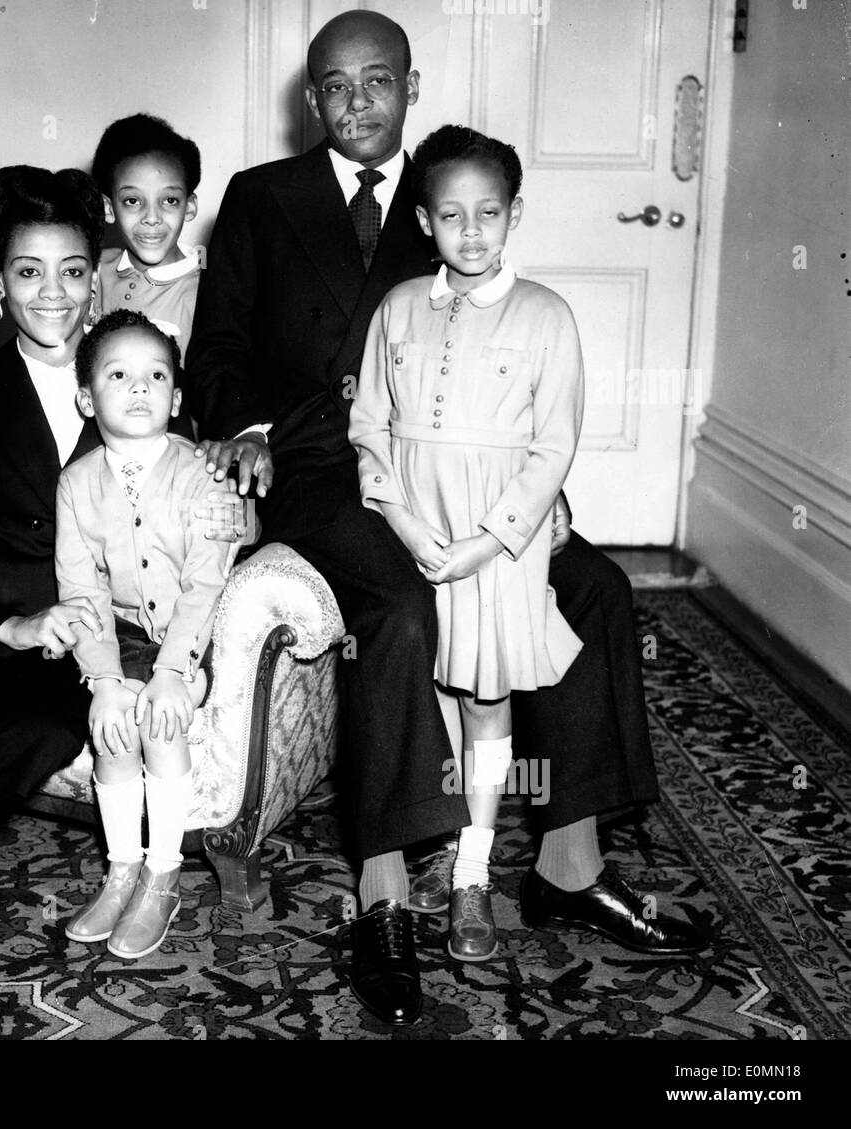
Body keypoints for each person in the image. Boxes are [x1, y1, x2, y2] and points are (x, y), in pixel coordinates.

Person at [187, 11, 706, 1026]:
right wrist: (246, 426)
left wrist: (530, 489)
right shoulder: (260, 198)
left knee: (592, 589)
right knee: (399, 608)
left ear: (410, 87)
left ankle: (569, 860)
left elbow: (504, 346)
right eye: (333, 87)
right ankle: (381, 888)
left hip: (458, 475)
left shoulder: (451, 191)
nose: (355, 103)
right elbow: (218, 348)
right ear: (311, 98)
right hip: (327, 468)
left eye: (376, 81)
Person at [0, 168, 242, 896]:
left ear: (97, 278)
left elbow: (195, 502)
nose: (54, 293)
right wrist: (9, 627)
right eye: (29, 272)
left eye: (72, 271)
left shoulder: (142, 374)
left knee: (59, 724)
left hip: (91, 632)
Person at [351, 124, 585, 962]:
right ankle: (433, 842)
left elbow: (551, 451)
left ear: (515, 213)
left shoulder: (547, 316)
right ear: (423, 221)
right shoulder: (399, 307)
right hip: (413, 530)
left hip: (495, 545)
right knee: (428, 690)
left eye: (490, 212)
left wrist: (483, 545)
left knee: (487, 699)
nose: (473, 231)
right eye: (453, 215)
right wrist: (411, 528)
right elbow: (369, 428)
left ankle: (472, 875)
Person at [56, 310, 250, 959]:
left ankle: (163, 872)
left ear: (176, 394)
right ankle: (122, 870)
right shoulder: (76, 483)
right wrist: (104, 680)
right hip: (116, 631)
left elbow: (205, 583)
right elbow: (81, 591)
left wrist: (172, 672)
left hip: (190, 629)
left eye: (156, 375)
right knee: (114, 726)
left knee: (161, 722)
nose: (140, 389)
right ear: (87, 396)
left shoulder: (203, 473)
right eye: (119, 375)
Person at [91, 114, 205, 357]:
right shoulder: (92, 270)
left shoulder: (208, 291)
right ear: (109, 208)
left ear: (190, 206)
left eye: (169, 200)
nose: (152, 217)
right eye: (132, 201)